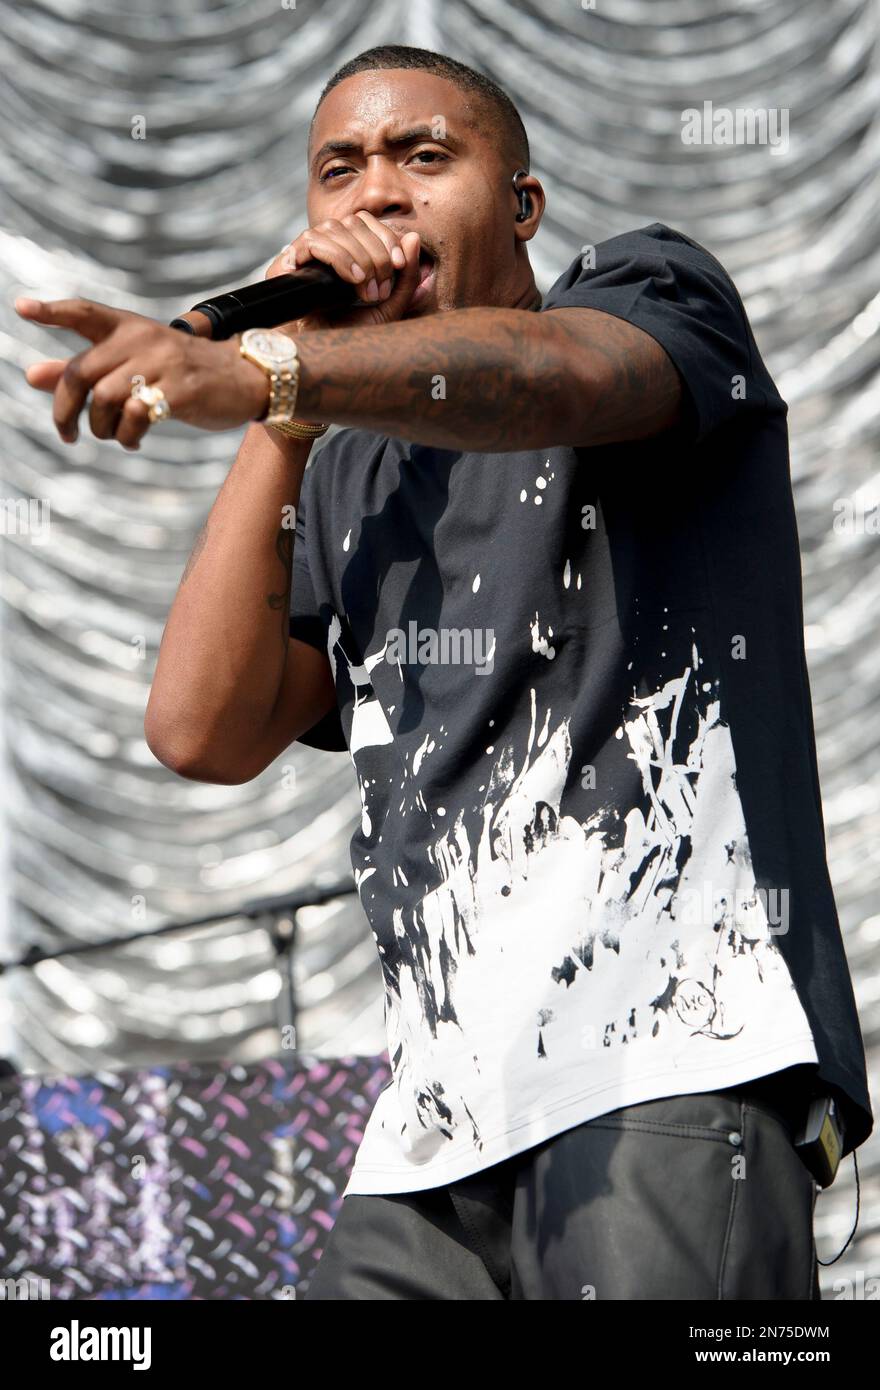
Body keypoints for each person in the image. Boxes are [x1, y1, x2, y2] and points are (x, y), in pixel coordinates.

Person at [16, 45, 872, 1301]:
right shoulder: (351, 466)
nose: (376, 194)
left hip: (669, 1053)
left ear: (520, 205)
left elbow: (552, 379)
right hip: (439, 1123)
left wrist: (276, 367)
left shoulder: (648, 290)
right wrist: (285, 412)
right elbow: (202, 728)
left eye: (425, 158)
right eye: (340, 171)